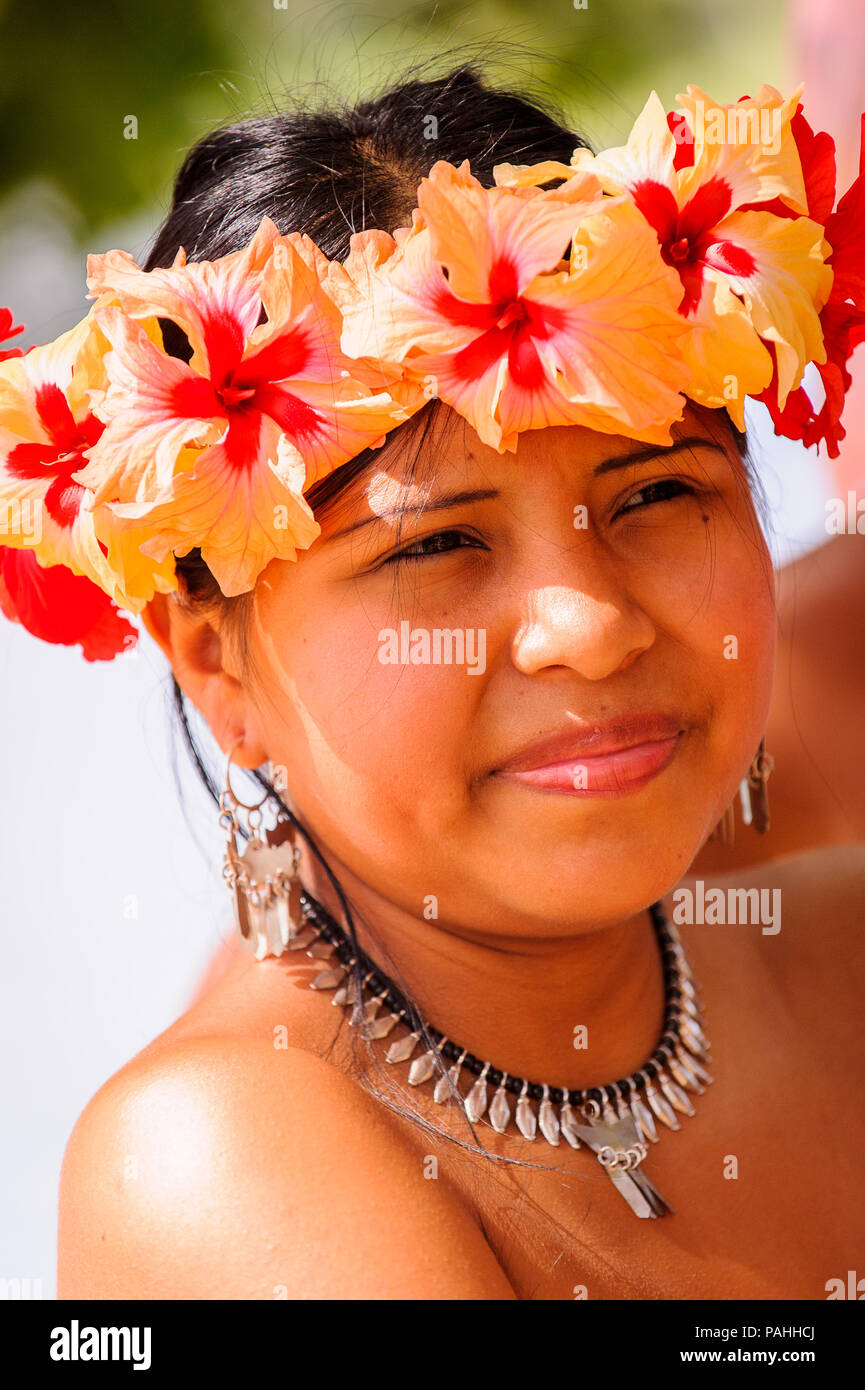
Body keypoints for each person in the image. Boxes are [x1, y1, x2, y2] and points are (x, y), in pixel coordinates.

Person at [3, 64, 862, 1300]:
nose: (588, 624)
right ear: (213, 662)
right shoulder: (214, 1163)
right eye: (436, 544)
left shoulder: (844, 959)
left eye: (657, 493)